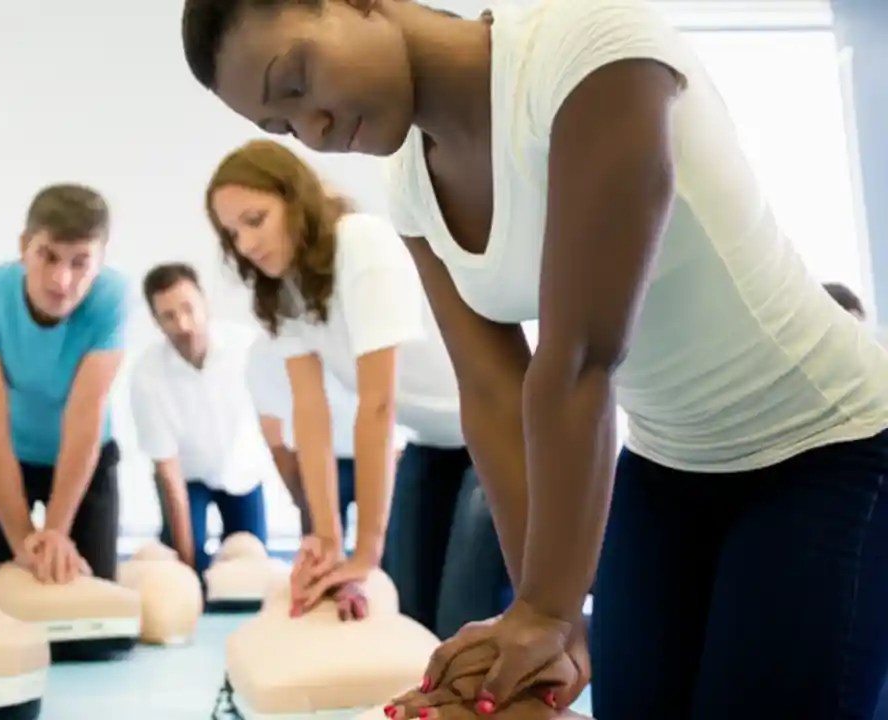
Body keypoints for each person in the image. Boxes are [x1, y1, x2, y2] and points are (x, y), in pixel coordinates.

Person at [181, 1, 888, 718]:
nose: (314, 130)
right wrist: (540, 611)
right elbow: (492, 392)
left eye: (296, 82)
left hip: (831, 445)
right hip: (669, 466)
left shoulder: (590, 51)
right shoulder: (412, 187)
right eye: (282, 126)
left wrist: (546, 610)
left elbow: (580, 357)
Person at [203, 139, 510, 636]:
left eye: (255, 220)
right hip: (435, 442)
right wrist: (327, 541)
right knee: (413, 612)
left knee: (465, 611)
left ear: (295, 199)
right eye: (232, 233)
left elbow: (377, 405)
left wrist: (364, 550)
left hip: (502, 427)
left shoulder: (359, 243)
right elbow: (311, 415)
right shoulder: (284, 291)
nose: (246, 245)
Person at [0, 183, 130, 591]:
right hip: (5, 451)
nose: (62, 280)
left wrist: (56, 534)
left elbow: (84, 418)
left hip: (82, 455)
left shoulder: (113, 297)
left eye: (81, 263)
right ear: (25, 246)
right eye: (48, 257)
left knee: (92, 610)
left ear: (101, 260)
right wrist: (24, 542)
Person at [129, 262, 268, 575]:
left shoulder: (247, 348)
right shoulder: (146, 375)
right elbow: (167, 470)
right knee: (182, 567)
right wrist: (187, 566)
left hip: (241, 469)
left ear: (205, 303)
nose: (184, 324)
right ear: (156, 321)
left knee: (249, 570)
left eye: (189, 308)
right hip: (185, 477)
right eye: (169, 316)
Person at [246, 330, 409, 540]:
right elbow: (275, 437)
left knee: (390, 546)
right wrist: (304, 501)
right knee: (322, 552)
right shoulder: (266, 351)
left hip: (382, 451)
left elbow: (386, 403)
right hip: (319, 459)